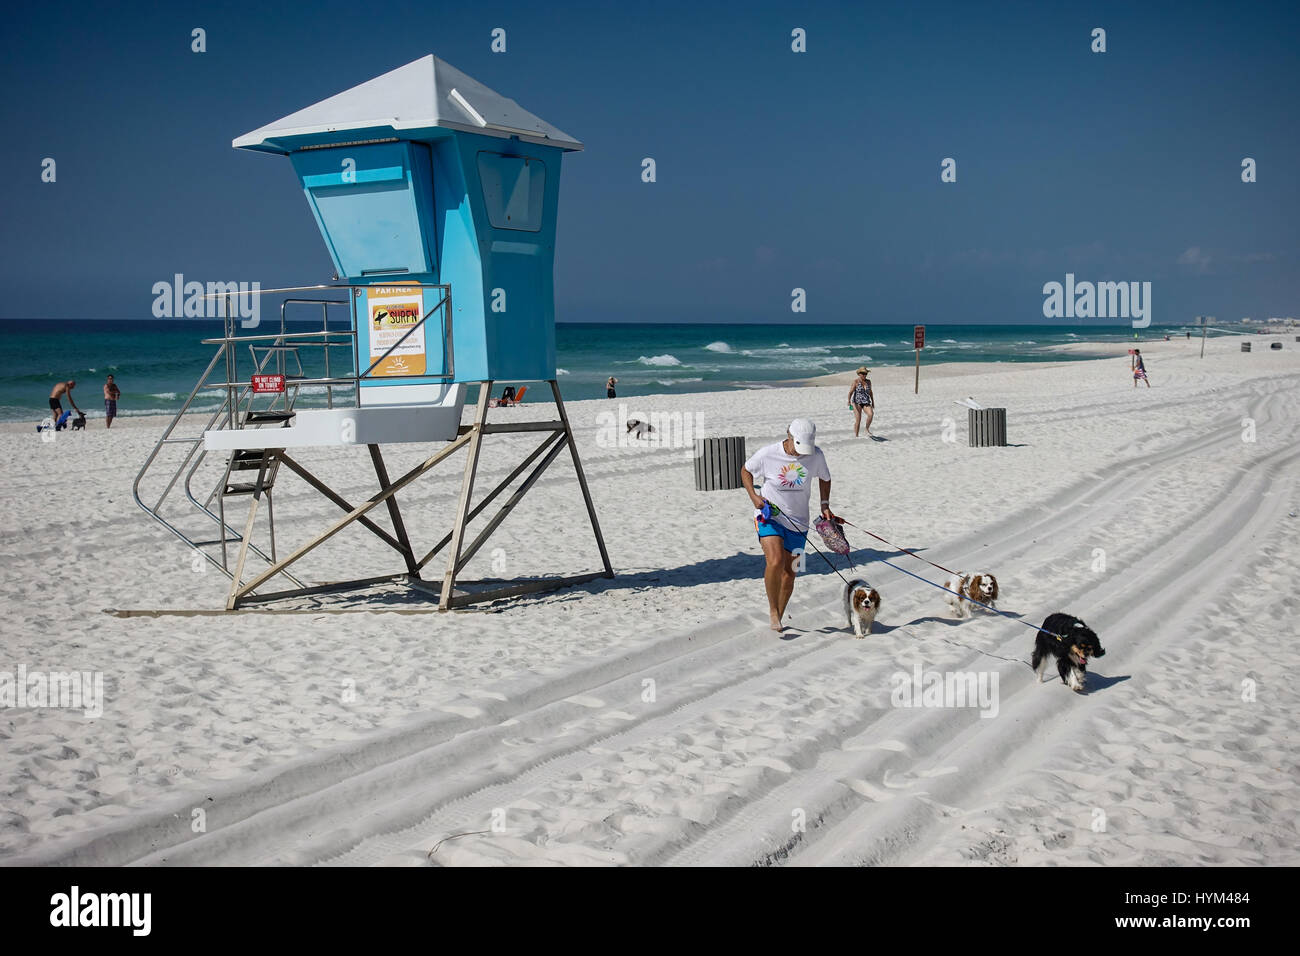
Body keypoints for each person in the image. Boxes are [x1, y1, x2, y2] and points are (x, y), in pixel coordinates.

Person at [740, 418, 833, 632]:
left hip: (799, 522)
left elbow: (825, 478)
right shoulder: (768, 454)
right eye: (798, 447)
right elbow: (745, 471)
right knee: (775, 560)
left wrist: (825, 504)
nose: (801, 453)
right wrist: (754, 496)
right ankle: (773, 610)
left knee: (790, 572)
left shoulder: (816, 455)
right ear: (788, 436)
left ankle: (779, 616)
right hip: (769, 516)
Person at [846, 366, 874, 438]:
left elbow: (870, 392)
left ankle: (867, 429)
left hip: (866, 401)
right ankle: (856, 435)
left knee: (871, 414)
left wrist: (873, 402)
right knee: (858, 420)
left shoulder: (868, 382)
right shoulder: (855, 382)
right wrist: (849, 401)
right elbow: (850, 392)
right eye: (863, 373)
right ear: (859, 374)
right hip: (856, 402)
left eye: (866, 373)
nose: (864, 375)